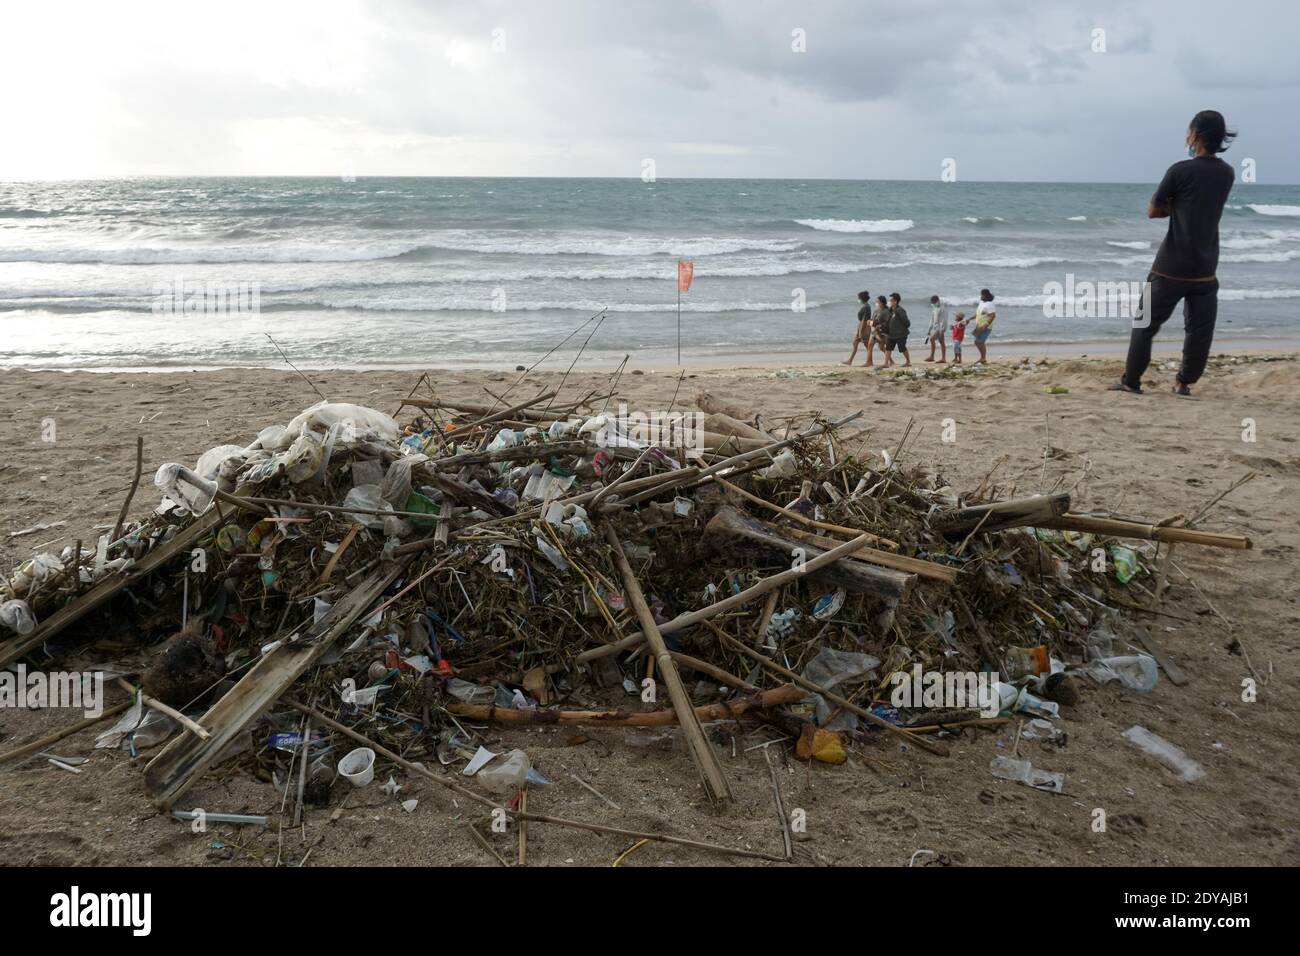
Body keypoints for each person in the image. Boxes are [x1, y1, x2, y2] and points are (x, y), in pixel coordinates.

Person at [1111, 110, 1237, 396]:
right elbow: (1202, 206)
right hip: (1205, 267)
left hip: (1170, 267)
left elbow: (1154, 211)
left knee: (1144, 324)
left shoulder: (1179, 170)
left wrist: (1175, 207)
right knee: (1199, 331)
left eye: (1188, 132)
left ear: (1195, 135)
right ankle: (1184, 383)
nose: (1186, 138)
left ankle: (1131, 381)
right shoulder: (1226, 173)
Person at [842, 290, 873, 365]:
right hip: (862, 326)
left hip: (864, 328)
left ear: (862, 298)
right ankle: (850, 360)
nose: (858, 299)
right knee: (856, 343)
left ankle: (870, 361)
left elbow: (864, 320)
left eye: (859, 298)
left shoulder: (866, 307)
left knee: (866, 345)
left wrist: (860, 332)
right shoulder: (866, 306)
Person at [884, 292, 911, 367]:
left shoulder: (900, 310)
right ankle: (886, 363)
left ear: (895, 301)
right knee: (888, 348)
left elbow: (907, 323)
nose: (889, 302)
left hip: (901, 334)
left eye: (891, 300)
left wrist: (900, 328)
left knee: (902, 348)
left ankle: (908, 362)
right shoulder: (890, 310)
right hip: (891, 334)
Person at [864, 294, 890, 367]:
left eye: (877, 301)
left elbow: (888, 322)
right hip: (874, 332)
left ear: (882, 302)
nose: (876, 303)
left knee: (882, 347)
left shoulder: (886, 311)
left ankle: (890, 361)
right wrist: (869, 321)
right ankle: (869, 362)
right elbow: (872, 319)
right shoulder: (876, 310)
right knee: (870, 346)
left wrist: (878, 326)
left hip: (882, 332)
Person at [972, 288, 996, 364]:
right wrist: (969, 319)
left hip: (985, 327)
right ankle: (983, 357)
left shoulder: (990, 304)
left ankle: (983, 358)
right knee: (977, 342)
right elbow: (978, 313)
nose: (981, 296)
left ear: (985, 295)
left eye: (982, 295)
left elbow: (993, 316)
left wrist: (986, 324)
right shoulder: (981, 303)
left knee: (980, 341)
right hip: (979, 325)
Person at [924, 295, 949, 363]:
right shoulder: (934, 308)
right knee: (941, 342)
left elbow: (944, 320)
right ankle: (936, 357)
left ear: (938, 301)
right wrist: (929, 330)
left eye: (934, 302)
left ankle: (936, 357)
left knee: (933, 339)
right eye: (932, 303)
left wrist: (942, 330)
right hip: (936, 328)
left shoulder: (942, 308)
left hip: (940, 328)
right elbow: (932, 320)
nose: (933, 304)